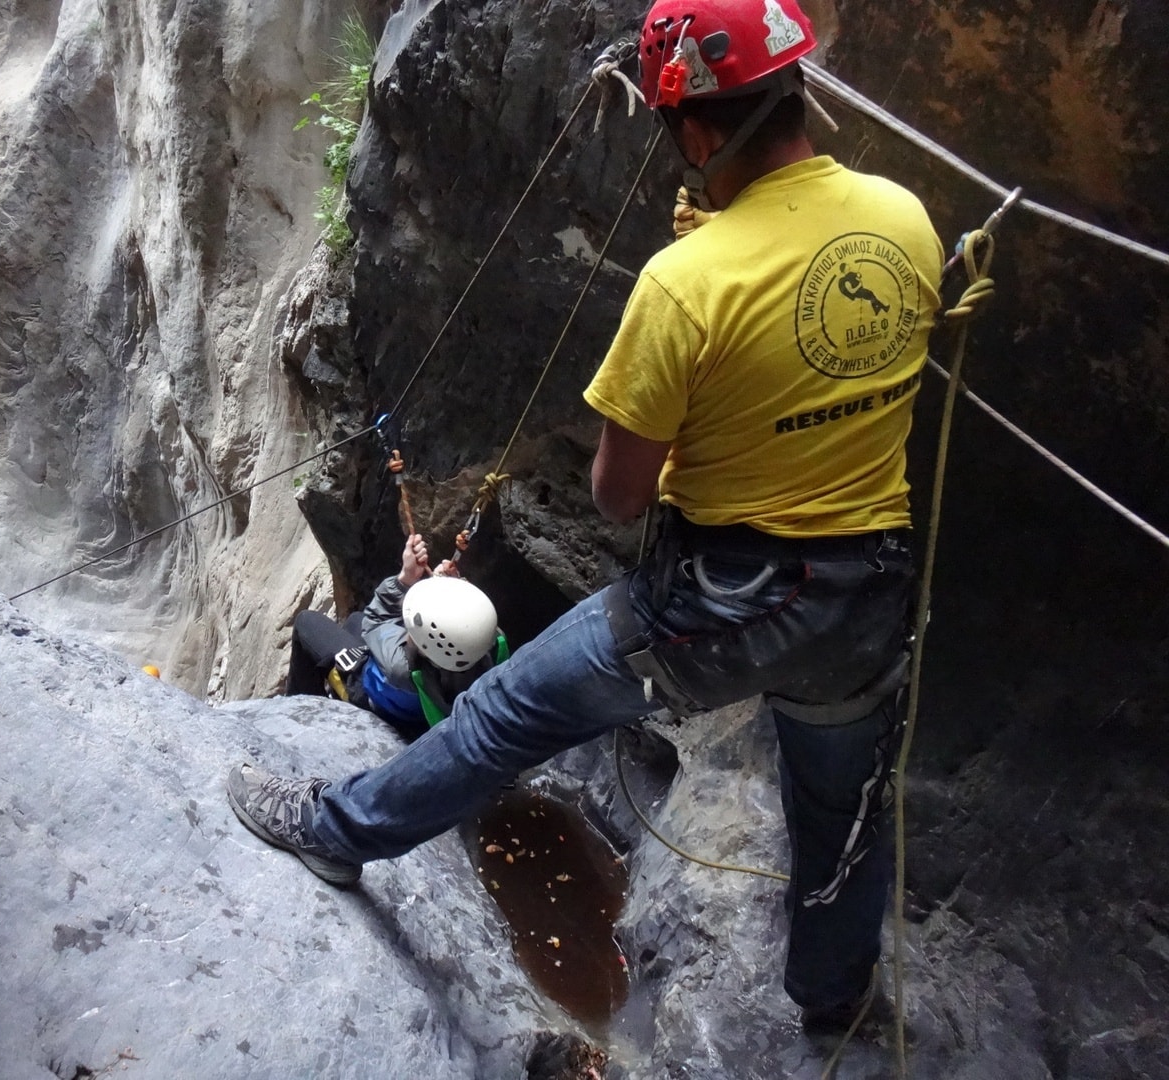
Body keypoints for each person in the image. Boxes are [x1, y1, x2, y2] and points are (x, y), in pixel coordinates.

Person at [228, 0, 942, 1030]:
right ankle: (836, 1003)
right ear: (797, 92)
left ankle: (337, 832)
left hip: (715, 602)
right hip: (864, 600)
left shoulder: (685, 285)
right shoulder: (904, 218)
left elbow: (615, 493)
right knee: (843, 817)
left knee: (504, 715)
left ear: (695, 132)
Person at [285, 532, 507, 738]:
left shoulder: (400, 668)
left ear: (426, 646)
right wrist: (449, 588)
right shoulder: (483, 650)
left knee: (307, 622)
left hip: (373, 696)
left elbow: (376, 620)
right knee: (354, 620)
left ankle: (296, 715)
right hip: (421, 707)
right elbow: (462, 622)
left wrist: (406, 578)